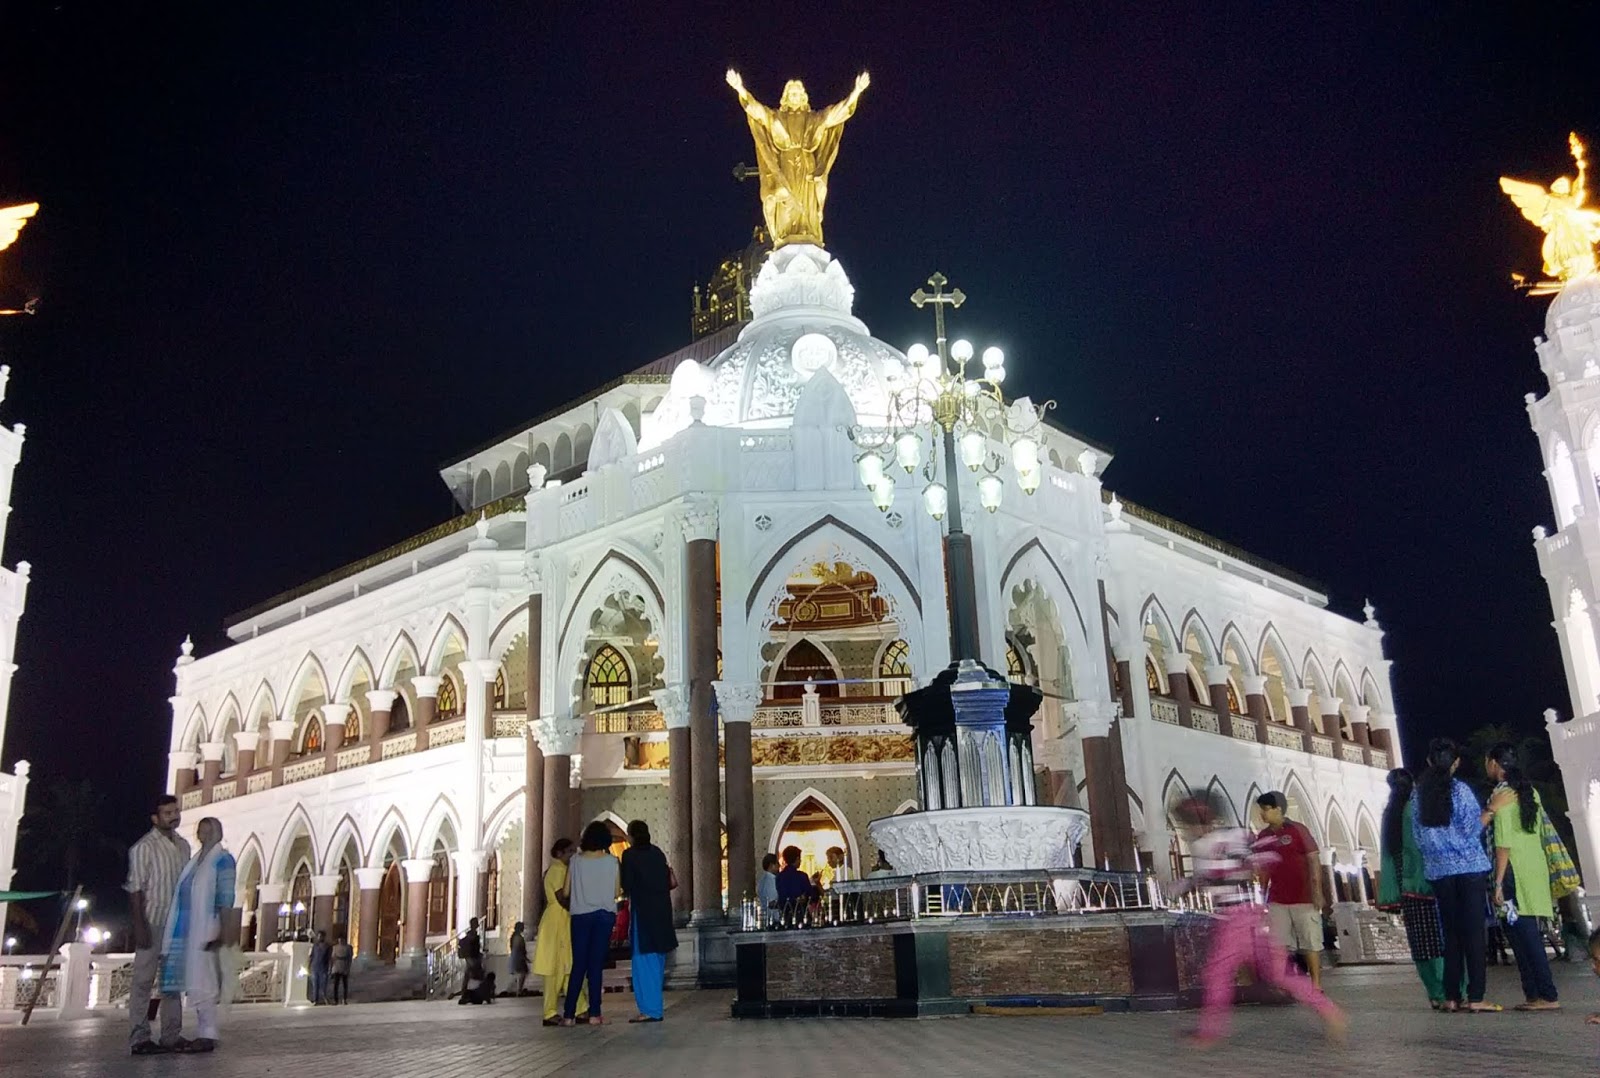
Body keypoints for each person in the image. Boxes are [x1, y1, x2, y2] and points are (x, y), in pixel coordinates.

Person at [1171, 790, 1344, 1048]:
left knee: (1218, 973)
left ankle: (1209, 1033)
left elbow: (1224, 871)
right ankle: (1331, 1013)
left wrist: (1189, 884)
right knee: (1279, 973)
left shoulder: (1209, 844)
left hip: (1235, 920)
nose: (1187, 830)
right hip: (1252, 915)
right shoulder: (1232, 837)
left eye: (1188, 823)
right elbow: (1257, 857)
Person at [1410, 737, 1512, 1013]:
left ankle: (1451, 996)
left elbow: (1419, 839)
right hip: (1468, 870)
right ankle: (1476, 995)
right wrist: (1491, 810)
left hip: (1439, 873)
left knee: (1451, 934)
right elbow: (1471, 830)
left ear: (1430, 761)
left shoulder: (1418, 795)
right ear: (1455, 763)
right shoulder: (1460, 791)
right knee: (1473, 934)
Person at [1486, 742, 1561, 1010]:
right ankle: (1533, 995)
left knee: (1523, 937)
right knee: (1523, 934)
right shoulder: (1530, 791)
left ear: (1494, 763)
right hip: (1534, 870)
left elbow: (1503, 843)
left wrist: (1497, 883)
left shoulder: (1502, 795)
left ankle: (1547, 995)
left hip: (1512, 875)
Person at [158, 816, 239, 1054]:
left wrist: (223, 931)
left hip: (207, 926)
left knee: (204, 979)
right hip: (185, 927)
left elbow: (226, 897)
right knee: (192, 979)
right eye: (201, 831)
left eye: (209, 831)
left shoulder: (222, 860)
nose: (204, 835)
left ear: (219, 834)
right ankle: (200, 1031)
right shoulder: (194, 862)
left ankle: (208, 1032)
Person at [125, 792, 192, 1055]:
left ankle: (171, 1036)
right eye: (167, 813)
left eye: (175, 811)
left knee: (172, 983)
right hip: (153, 921)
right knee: (143, 980)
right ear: (155, 818)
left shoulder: (184, 846)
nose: (173, 816)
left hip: (177, 924)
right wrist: (139, 926)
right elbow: (135, 889)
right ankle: (139, 1037)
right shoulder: (144, 848)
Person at [1378, 768, 1452, 1007]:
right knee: (1438, 941)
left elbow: (1388, 855)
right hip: (1428, 884)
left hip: (1405, 887)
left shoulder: (1390, 814)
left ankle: (1434, 993)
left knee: (1420, 944)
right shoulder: (1415, 809)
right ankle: (1448, 990)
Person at [1254, 791, 1326, 989]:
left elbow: (1313, 860)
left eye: (1266, 809)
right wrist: (1262, 894)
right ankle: (1281, 982)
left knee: (1310, 941)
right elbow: (1264, 868)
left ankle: (1315, 983)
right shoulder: (1264, 836)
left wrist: (1317, 892)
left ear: (1278, 809)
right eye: (1261, 810)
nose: (1263, 814)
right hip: (1278, 898)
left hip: (1304, 897)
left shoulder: (1298, 830)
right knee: (1279, 942)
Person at [560, 821, 620, 1026]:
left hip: (581, 916)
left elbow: (566, 892)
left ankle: (568, 1015)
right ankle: (595, 1013)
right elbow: (616, 893)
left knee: (579, 965)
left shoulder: (575, 861)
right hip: (604, 916)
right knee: (595, 965)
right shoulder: (612, 862)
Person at [620, 819, 678, 1023]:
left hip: (643, 914)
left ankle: (650, 1009)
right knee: (658, 961)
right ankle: (655, 1007)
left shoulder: (629, 855)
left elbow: (626, 885)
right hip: (662, 912)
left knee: (643, 962)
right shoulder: (657, 853)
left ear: (631, 836)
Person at [532, 839, 586, 1025]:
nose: (573, 854)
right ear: (559, 853)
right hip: (556, 921)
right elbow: (562, 897)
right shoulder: (556, 871)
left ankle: (580, 1008)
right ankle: (550, 1012)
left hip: (564, 921)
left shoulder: (565, 870)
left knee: (569, 967)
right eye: (569, 851)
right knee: (554, 970)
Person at [775, 845, 812, 922]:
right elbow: (810, 895)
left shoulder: (779, 876)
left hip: (785, 914)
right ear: (797, 859)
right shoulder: (802, 876)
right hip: (801, 913)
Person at [456, 916, 485, 1005]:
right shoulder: (471, 936)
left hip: (475, 958)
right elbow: (469, 948)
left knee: (470, 976)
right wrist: (469, 959)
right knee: (471, 976)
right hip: (472, 958)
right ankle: (467, 995)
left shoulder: (474, 935)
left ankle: (471, 994)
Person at [756, 854, 780, 925]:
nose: (779, 866)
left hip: (764, 916)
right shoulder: (772, 881)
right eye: (777, 863)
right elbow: (771, 903)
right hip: (774, 917)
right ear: (771, 865)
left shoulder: (761, 880)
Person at [507, 921, 530, 996]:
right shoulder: (517, 937)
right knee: (521, 973)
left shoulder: (515, 937)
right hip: (518, 957)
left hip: (517, 956)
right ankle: (518, 990)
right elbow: (519, 948)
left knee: (521, 973)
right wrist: (523, 957)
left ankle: (518, 989)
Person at [308, 930, 330, 1005]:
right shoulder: (315, 946)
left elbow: (329, 958)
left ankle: (324, 998)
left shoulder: (327, 946)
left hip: (323, 968)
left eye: (321, 936)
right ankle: (315, 1000)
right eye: (318, 936)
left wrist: (329, 968)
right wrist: (309, 966)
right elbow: (312, 956)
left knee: (323, 985)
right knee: (315, 985)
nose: (319, 937)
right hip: (315, 967)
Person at [329, 934, 352, 1005]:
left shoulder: (348, 947)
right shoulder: (335, 947)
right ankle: (336, 1000)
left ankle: (344, 999)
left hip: (344, 966)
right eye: (339, 939)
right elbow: (332, 958)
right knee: (336, 984)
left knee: (345, 985)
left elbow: (349, 958)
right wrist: (331, 968)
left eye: (342, 939)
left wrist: (348, 968)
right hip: (336, 967)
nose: (340, 941)